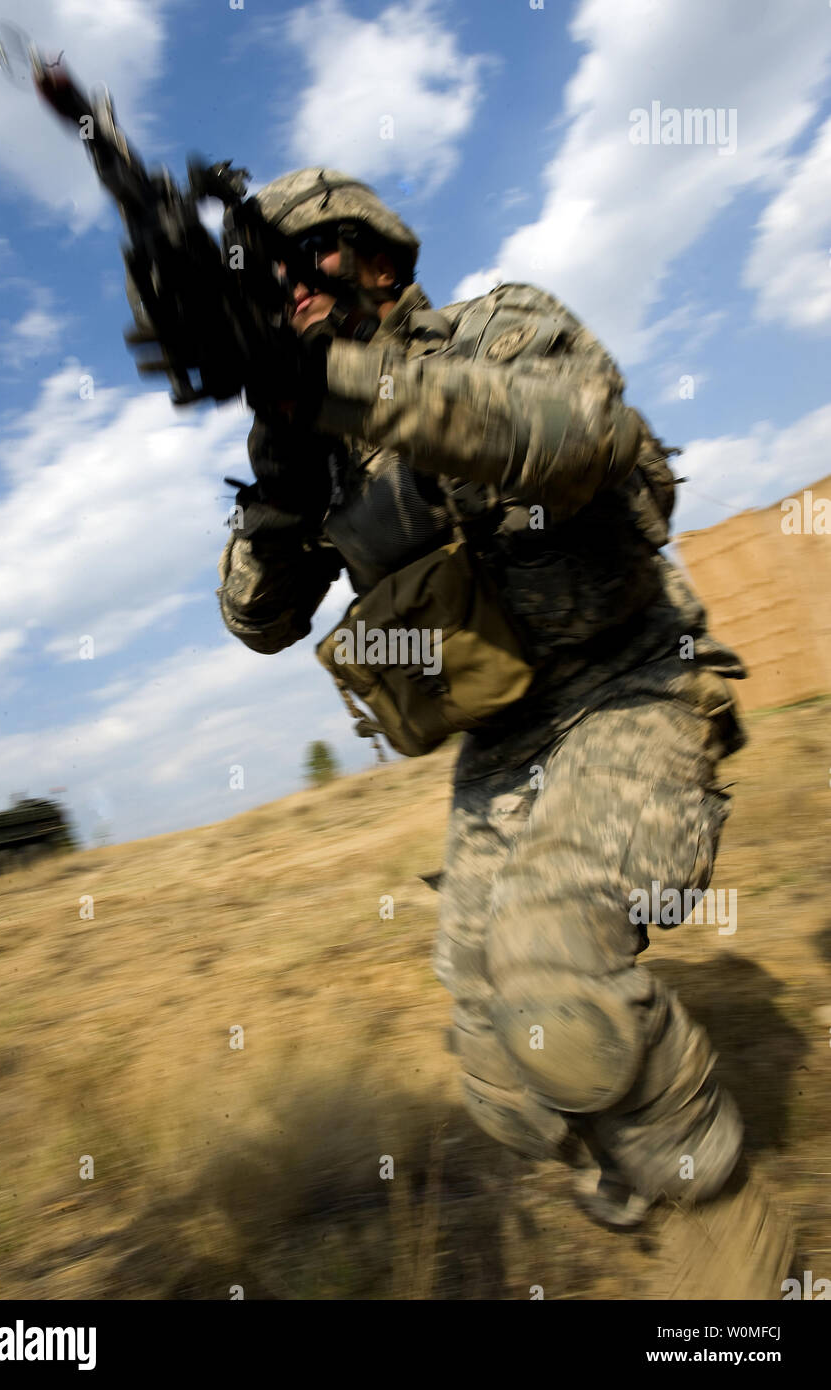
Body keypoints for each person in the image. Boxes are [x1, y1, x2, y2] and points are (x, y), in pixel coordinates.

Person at [216, 168, 793, 1298]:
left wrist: (345, 391)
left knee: (551, 974)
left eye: (303, 262)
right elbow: (257, 618)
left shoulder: (501, 331)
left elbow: (575, 436)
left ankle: (728, 1237)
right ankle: (629, 1161)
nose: (281, 293)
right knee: (501, 1075)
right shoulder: (323, 447)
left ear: (377, 259)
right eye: (262, 282)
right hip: (502, 742)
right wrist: (279, 492)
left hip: (632, 683)